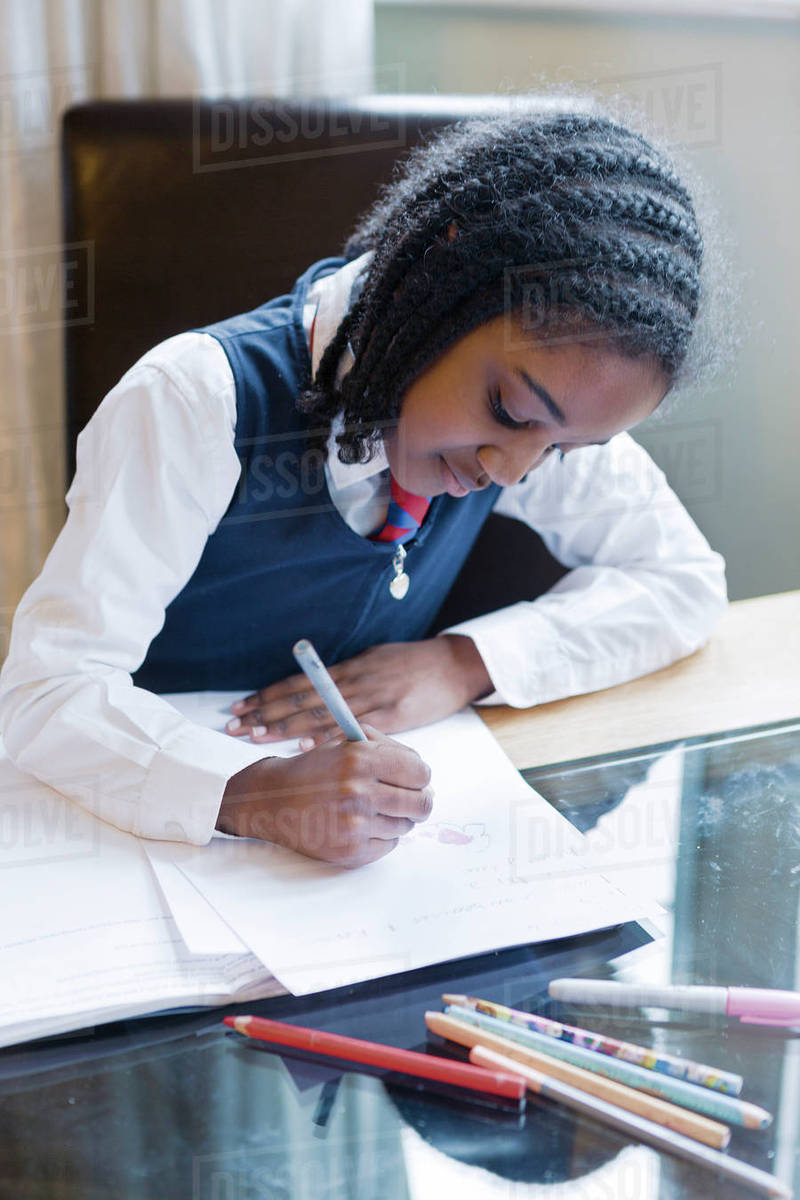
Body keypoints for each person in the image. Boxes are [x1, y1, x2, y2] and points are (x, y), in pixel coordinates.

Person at [0, 109, 726, 868]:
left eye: (567, 448)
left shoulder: (543, 415)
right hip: (140, 840)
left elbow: (681, 580)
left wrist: (465, 662)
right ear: (448, 287)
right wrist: (254, 793)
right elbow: (50, 690)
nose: (511, 469)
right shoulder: (195, 401)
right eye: (508, 412)